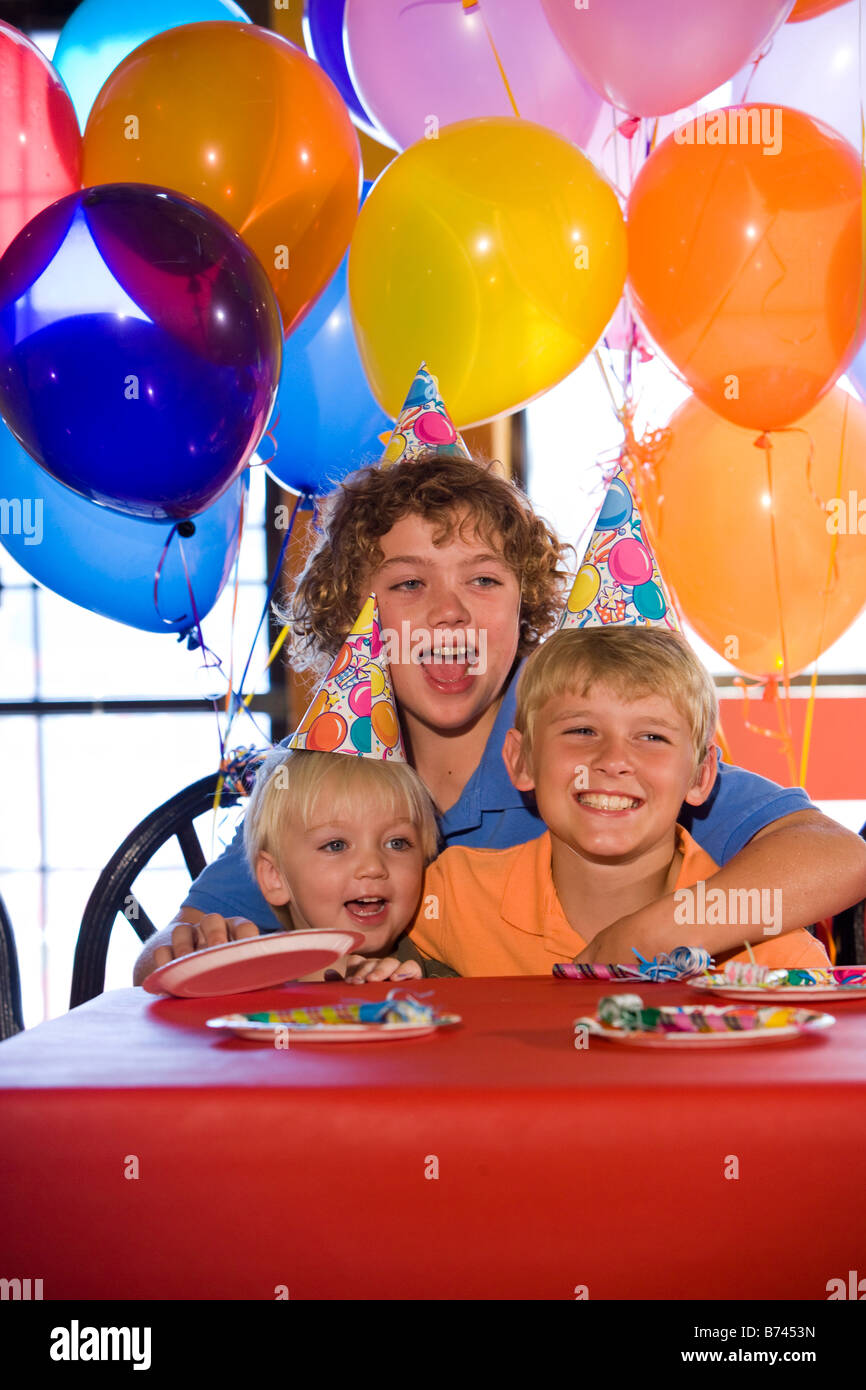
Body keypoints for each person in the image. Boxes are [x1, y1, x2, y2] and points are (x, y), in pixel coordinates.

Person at [132, 369, 866, 984]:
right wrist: (190, 942)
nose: (449, 612)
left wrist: (653, 932)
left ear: (524, 606)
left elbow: (835, 857)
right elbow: (179, 949)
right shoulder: (326, 773)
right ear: (354, 612)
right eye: (409, 584)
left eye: (483, 581)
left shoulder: (583, 742)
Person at [383, 626, 832, 976]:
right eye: (582, 730)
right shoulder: (450, 897)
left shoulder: (772, 954)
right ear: (521, 760)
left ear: (700, 776)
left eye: (652, 736)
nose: (614, 761)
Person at [241, 742, 435, 982]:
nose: (373, 867)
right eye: (336, 845)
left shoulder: (445, 978)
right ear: (275, 876)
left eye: (396, 843)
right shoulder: (242, 983)